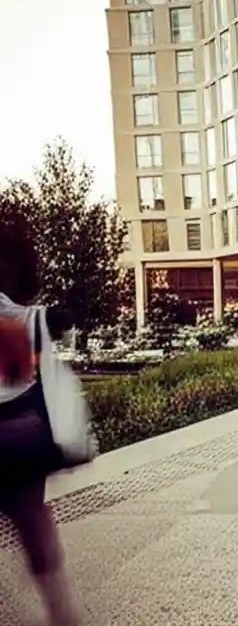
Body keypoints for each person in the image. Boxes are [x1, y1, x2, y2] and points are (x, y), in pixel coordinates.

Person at [0, 209, 84, 626]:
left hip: (15, 430)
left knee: (32, 517)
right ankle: (61, 611)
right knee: (32, 518)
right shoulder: (19, 315)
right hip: (19, 430)